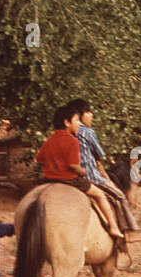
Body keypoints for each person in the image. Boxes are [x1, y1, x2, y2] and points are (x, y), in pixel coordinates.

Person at [35, 103, 126, 247]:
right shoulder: (72, 140)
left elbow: (39, 159)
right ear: (67, 123)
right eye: (77, 120)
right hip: (70, 180)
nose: (79, 124)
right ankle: (114, 226)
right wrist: (82, 171)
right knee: (100, 195)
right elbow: (72, 165)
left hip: (49, 180)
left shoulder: (49, 141)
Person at [66, 98, 140, 235]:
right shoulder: (88, 132)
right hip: (91, 176)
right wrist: (103, 174)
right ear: (79, 115)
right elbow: (98, 156)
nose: (91, 115)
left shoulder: (67, 131)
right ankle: (127, 232)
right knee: (119, 196)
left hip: (69, 176)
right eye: (87, 111)